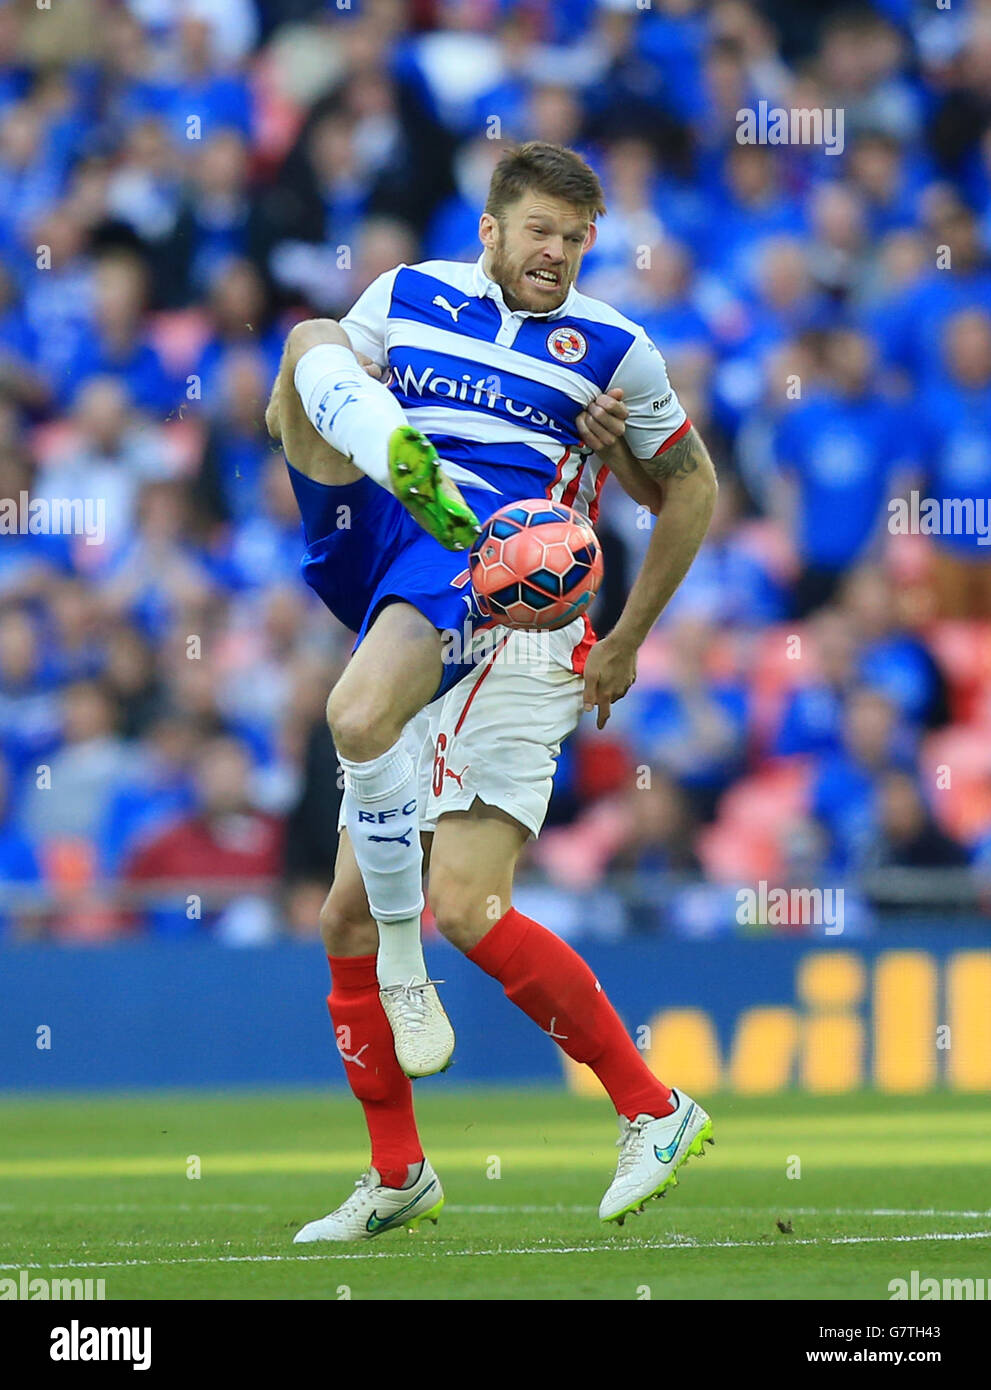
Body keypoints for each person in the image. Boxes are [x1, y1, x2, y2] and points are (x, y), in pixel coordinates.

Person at [266, 141, 718, 1238]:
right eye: (540, 233)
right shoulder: (407, 296)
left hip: (520, 620)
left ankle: (652, 1106)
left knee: (461, 901)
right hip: (402, 568)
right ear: (491, 230)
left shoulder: (616, 349)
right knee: (309, 344)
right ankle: (397, 1173)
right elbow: (323, 377)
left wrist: (625, 638)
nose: (556, 255)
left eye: (575, 239)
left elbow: (689, 489)